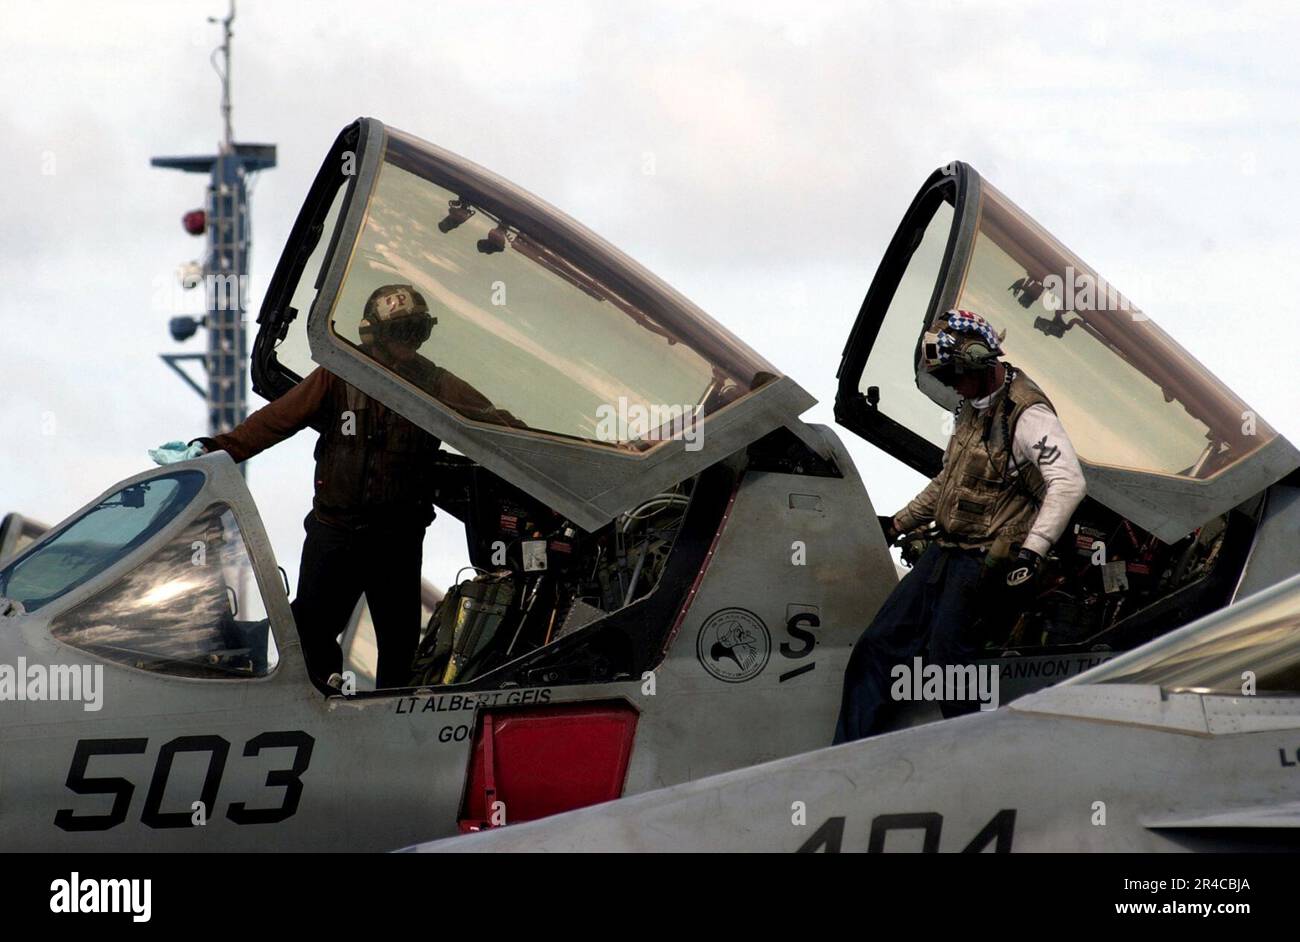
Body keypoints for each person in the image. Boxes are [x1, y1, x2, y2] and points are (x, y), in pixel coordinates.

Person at [151, 284, 511, 689]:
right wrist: (215, 449)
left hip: (397, 540)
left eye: (415, 331)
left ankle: (392, 726)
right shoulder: (338, 376)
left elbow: (492, 422)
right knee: (309, 636)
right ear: (374, 334)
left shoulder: (433, 382)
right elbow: (275, 421)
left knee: (400, 648)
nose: (409, 343)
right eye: (401, 332)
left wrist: (543, 455)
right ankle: (321, 706)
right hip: (336, 534)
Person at [834, 308, 1087, 743]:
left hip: (983, 559)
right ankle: (846, 755)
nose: (951, 384)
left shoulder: (1026, 414)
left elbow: (1069, 482)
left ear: (976, 362)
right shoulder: (972, 407)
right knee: (877, 646)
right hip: (947, 549)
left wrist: (1032, 551)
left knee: (948, 663)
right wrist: (898, 524)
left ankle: (975, 753)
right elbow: (949, 482)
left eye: (953, 374)